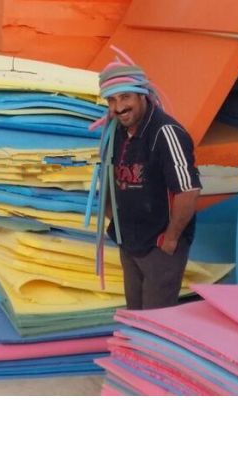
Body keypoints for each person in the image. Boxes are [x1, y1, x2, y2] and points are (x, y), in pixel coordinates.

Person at [96, 59, 202, 310]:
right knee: (134, 311)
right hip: (129, 241)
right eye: (112, 100)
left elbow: (188, 191)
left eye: (125, 97)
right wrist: (115, 220)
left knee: (156, 318)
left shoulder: (166, 133)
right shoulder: (116, 130)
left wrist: (171, 239)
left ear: (142, 94)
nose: (119, 107)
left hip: (159, 244)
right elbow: (109, 174)